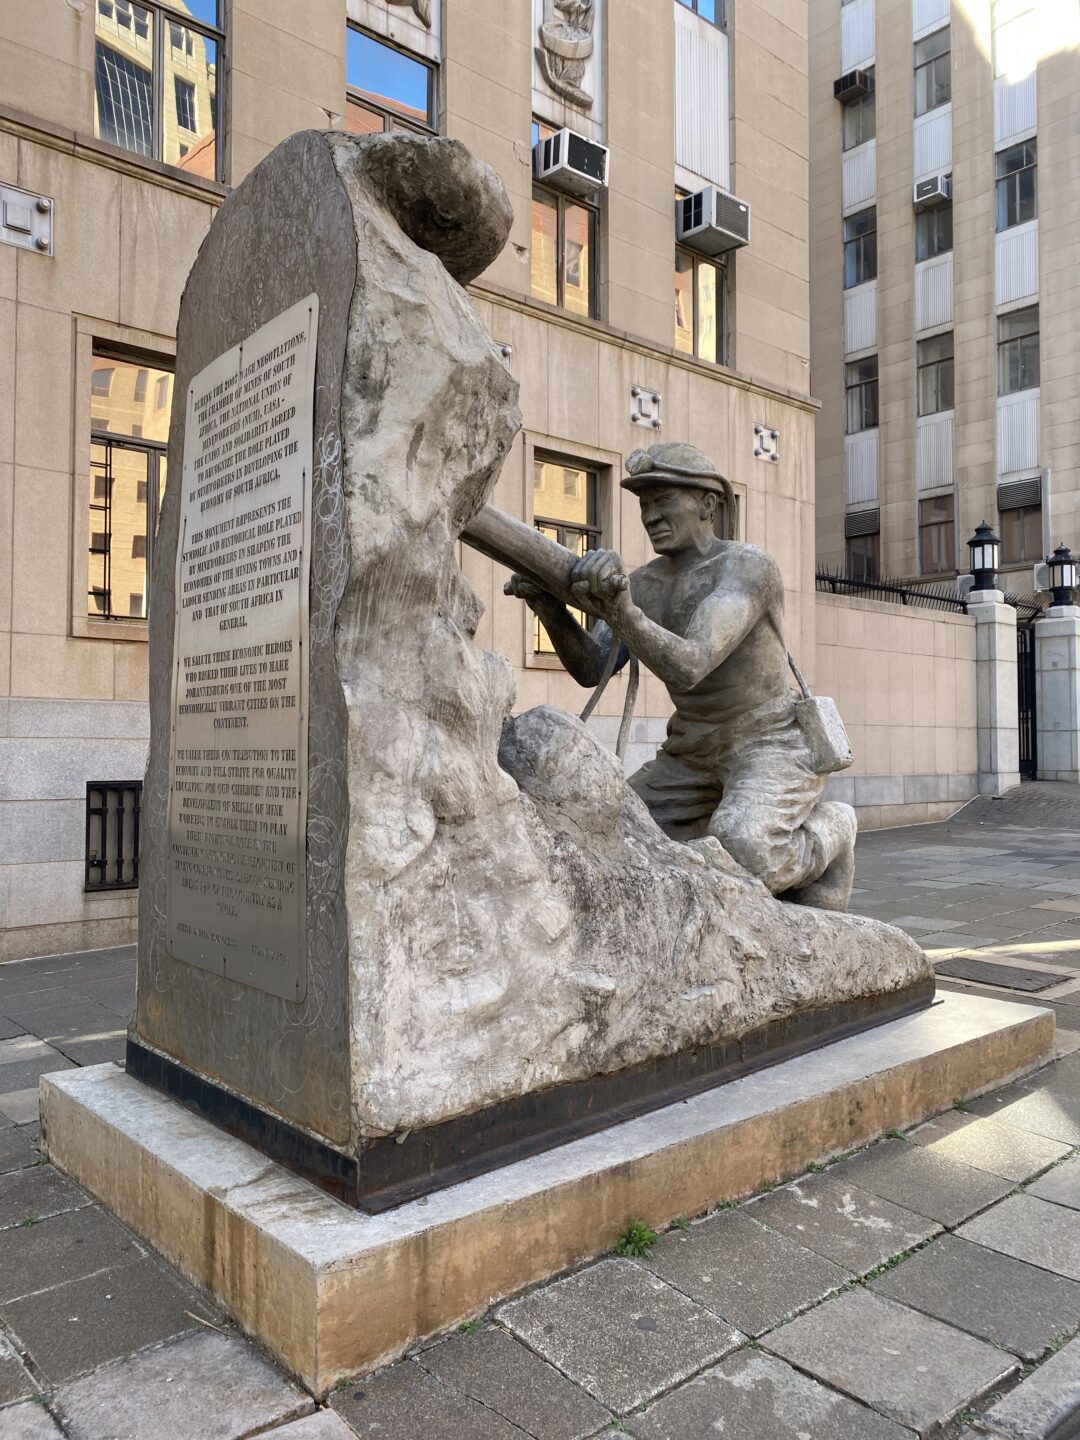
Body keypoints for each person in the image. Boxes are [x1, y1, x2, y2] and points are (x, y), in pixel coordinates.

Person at [505, 442, 856, 910]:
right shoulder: (645, 583)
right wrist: (549, 608)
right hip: (689, 751)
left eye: (664, 500)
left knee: (746, 849)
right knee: (614, 831)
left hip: (768, 740)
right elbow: (593, 668)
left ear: (708, 504)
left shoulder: (745, 567)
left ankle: (832, 829)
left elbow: (691, 664)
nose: (650, 516)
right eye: (644, 504)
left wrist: (622, 611)